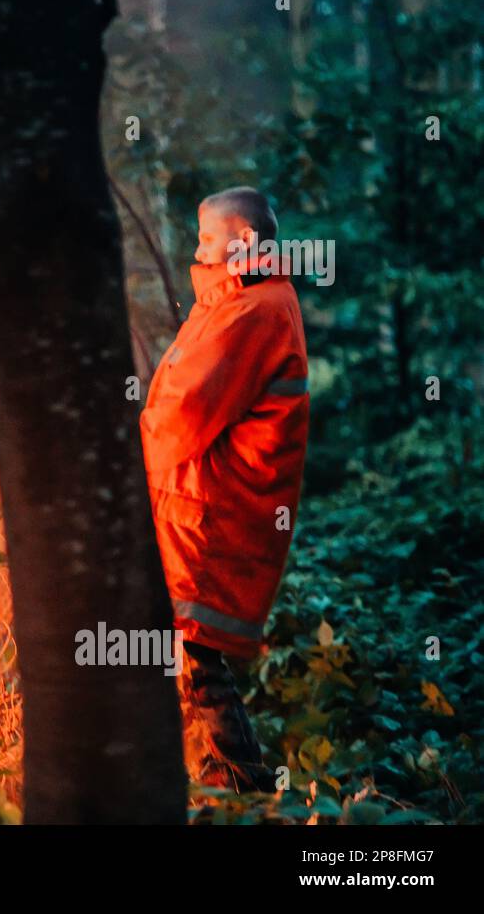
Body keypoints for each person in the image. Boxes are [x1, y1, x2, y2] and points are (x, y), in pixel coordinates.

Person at [140, 187, 309, 791]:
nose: (197, 247)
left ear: (243, 241)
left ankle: (242, 785)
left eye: (208, 238)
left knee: (191, 656)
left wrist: (125, 465)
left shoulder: (255, 309)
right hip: (193, 498)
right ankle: (210, 781)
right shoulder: (231, 298)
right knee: (176, 651)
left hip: (212, 509)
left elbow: (186, 413)